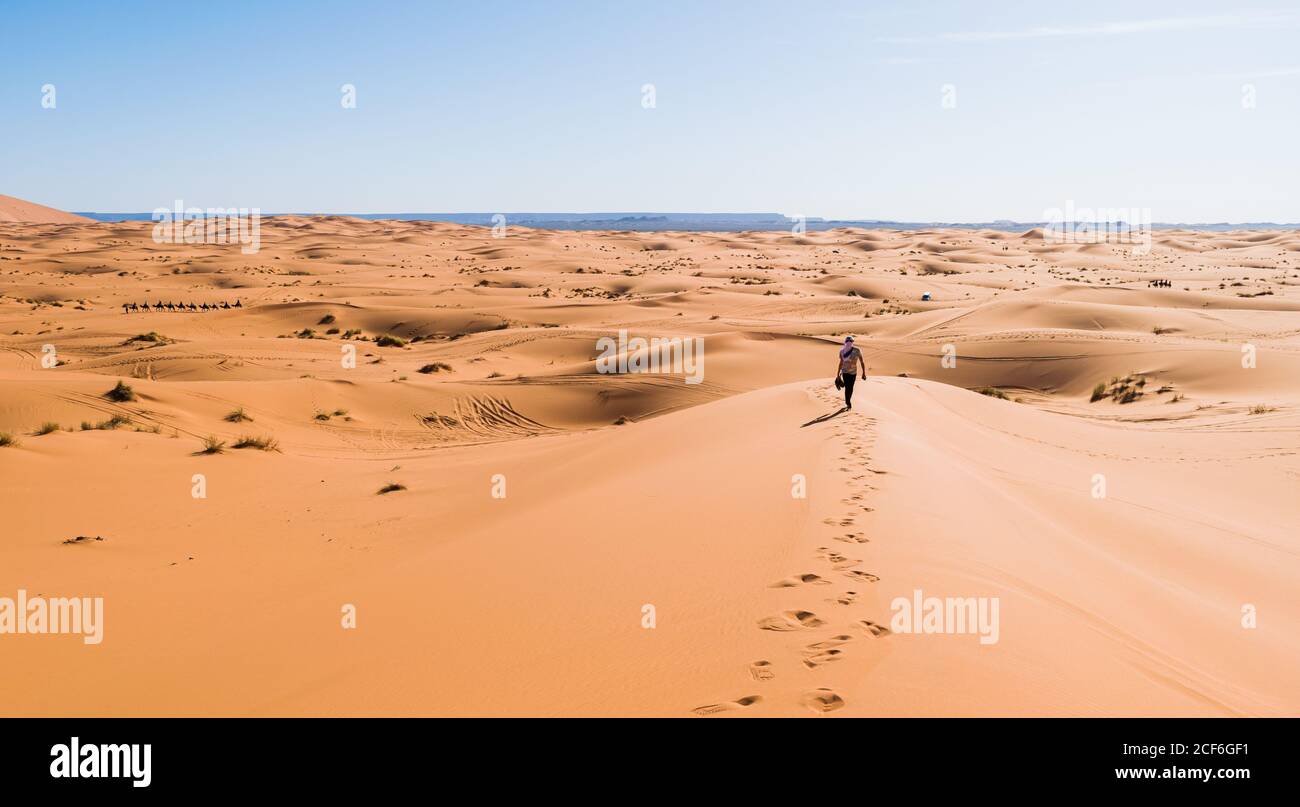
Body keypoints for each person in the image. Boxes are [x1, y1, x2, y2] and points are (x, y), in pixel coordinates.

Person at [835, 336, 867, 409]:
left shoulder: (843, 351)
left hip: (847, 372)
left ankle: (847, 401)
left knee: (848, 387)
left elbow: (841, 363)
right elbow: (862, 362)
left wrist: (838, 374)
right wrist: (863, 373)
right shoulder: (856, 350)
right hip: (850, 372)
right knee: (849, 387)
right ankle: (848, 402)